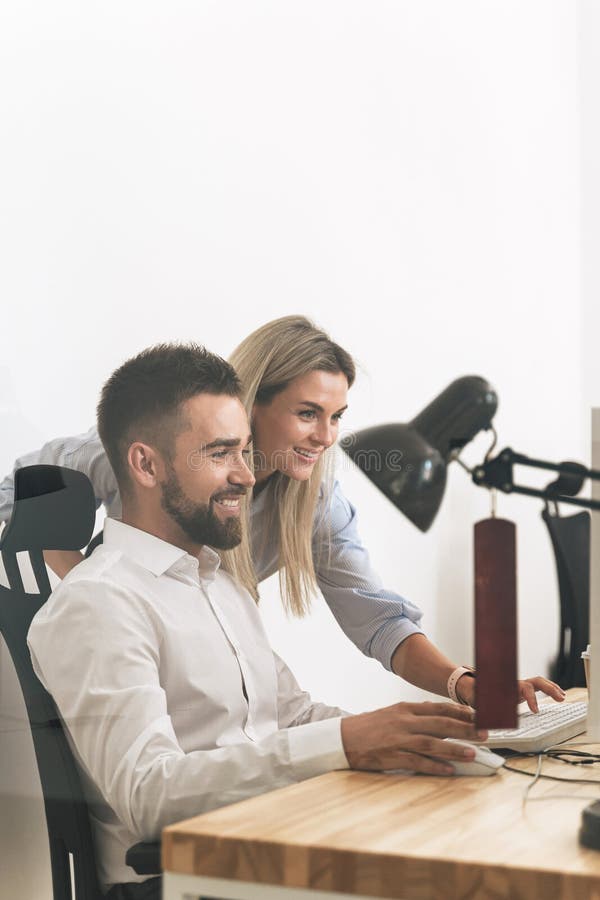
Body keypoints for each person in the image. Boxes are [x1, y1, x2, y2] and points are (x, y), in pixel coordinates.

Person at [27, 343, 486, 899]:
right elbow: (149, 797)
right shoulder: (98, 604)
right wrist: (346, 741)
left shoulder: (220, 583)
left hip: (265, 848)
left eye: (247, 451)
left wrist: (421, 737)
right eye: (222, 453)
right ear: (146, 464)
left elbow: (290, 716)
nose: (248, 477)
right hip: (183, 882)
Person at [1, 315, 564, 711]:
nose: (326, 437)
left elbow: (378, 618)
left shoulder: (315, 499)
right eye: (307, 413)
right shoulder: (157, 449)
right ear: (253, 402)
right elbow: (21, 493)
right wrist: (84, 587)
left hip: (206, 690)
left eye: (337, 416)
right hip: (123, 678)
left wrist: (465, 684)